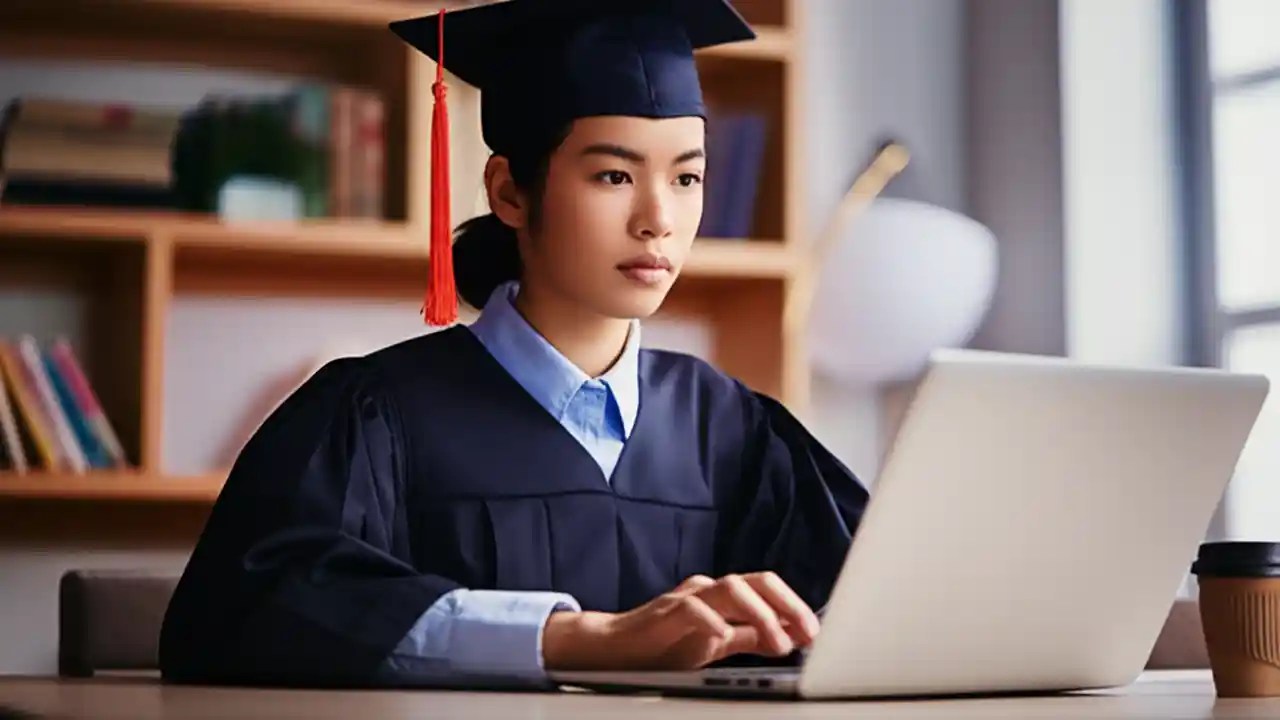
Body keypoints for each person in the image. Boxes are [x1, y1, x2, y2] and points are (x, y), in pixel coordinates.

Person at [159, 0, 869, 688]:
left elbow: (876, 603)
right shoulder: (377, 415)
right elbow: (244, 613)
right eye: (614, 175)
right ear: (509, 193)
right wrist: (577, 640)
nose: (659, 219)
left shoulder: (734, 431)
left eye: (687, 177)